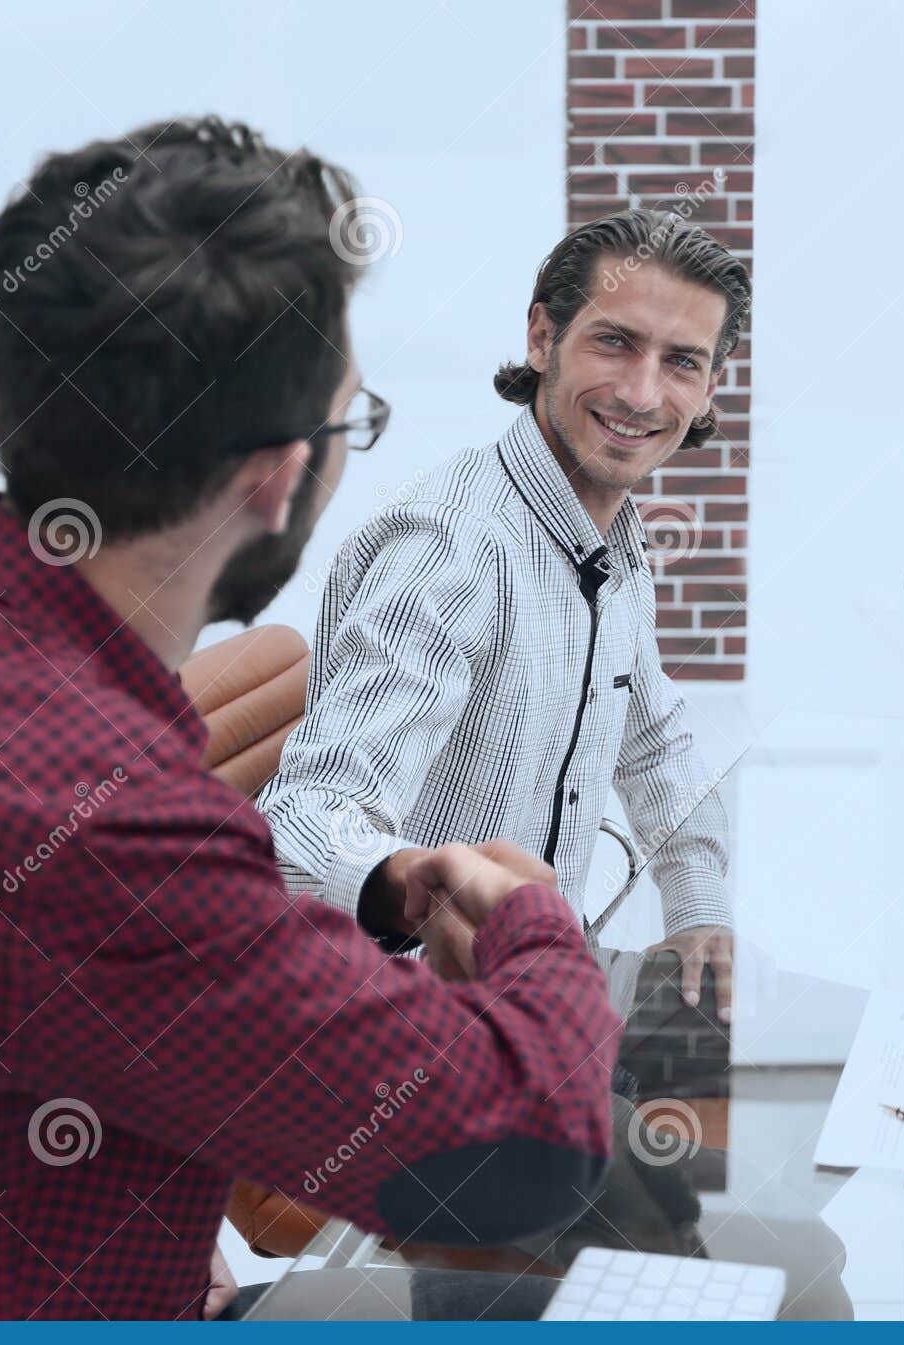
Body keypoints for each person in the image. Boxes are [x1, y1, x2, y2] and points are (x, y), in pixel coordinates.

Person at [0, 117, 618, 1321]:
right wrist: (533, 922)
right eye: (354, 424)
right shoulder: (104, 835)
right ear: (279, 473)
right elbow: (522, 1157)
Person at [257, 210, 748, 1018]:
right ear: (542, 337)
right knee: (777, 1143)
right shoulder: (455, 548)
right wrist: (418, 886)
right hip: (404, 1031)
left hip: (540, 1002)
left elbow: (657, 743)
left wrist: (698, 901)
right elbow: (302, 827)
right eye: (615, 342)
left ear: (706, 392)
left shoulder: (614, 541)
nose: (641, 393)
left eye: (681, 362)